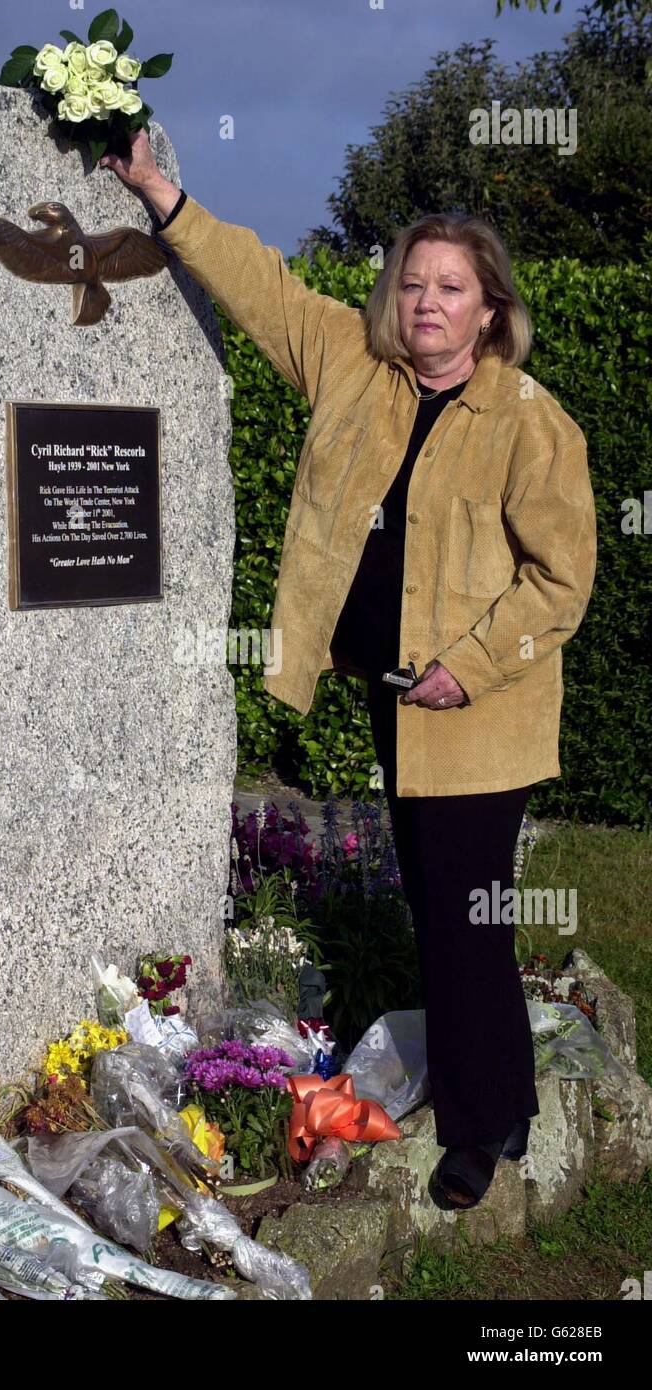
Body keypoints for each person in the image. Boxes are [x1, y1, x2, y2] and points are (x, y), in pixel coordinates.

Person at [99, 132, 597, 1209]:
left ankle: (480, 1132)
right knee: (446, 911)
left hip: (475, 715)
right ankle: (490, 1088)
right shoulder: (353, 369)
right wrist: (160, 194)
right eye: (411, 282)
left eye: (450, 287)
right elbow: (261, 286)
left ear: (487, 308)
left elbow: (559, 582)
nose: (425, 302)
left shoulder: (527, 421)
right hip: (394, 705)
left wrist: (464, 670)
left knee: (465, 919)